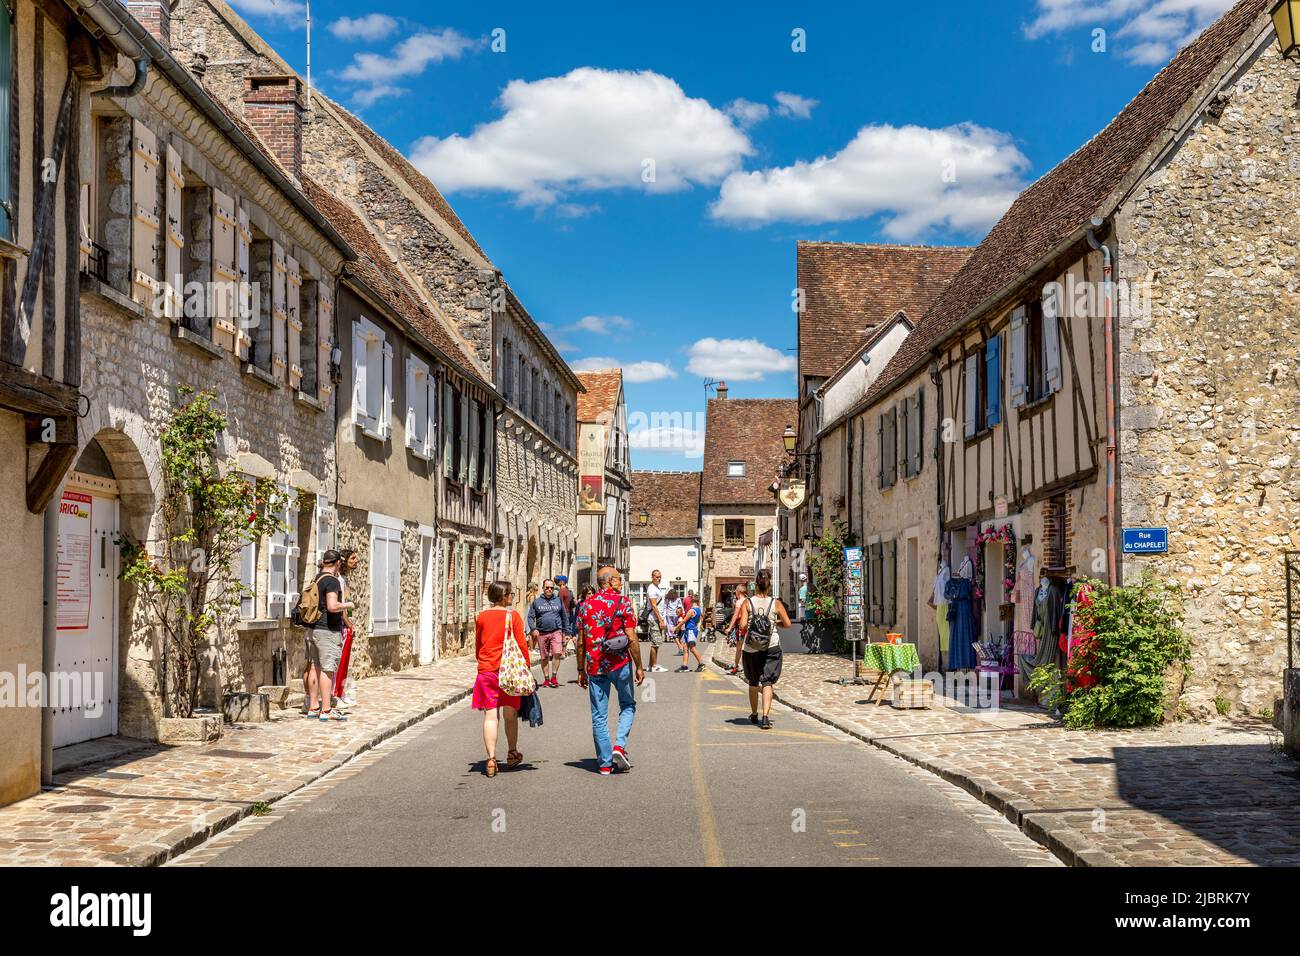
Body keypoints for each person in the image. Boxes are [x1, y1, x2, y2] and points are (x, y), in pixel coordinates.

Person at [578, 566, 643, 776]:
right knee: (628, 705)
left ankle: (605, 763)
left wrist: (580, 669)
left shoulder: (585, 605)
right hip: (620, 663)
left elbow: (580, 642)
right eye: (619, 579)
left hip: (595, 666)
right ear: (610, 581)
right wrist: (640, 665)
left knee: (599, 715)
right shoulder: (623, 602)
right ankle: (619, 746)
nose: (621, 582)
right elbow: (631, 637)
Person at [474, 580, 530, 777]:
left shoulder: (481, 617)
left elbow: (478, 644)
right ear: (504, 596)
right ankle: (512, 752)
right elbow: (522, 646)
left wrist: (482, 661)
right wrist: (527, 669)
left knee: (490, 715)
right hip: (509, 671)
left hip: (487, 669)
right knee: (510, 714)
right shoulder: (512, 616)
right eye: (511, 594)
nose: (512, 598)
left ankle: (490, 759)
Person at [736, 569, 791, 730]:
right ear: (768, 585)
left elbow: (743, 625)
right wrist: (775, 623)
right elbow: (788, 624)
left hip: (751, 647)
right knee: (767, 682)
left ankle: (754, 714)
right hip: (771, 645)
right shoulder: (776, 603)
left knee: (753, 682)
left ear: (755, 585)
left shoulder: (747, 602)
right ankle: (766, 717)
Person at [304, 550, 353, 722]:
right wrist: (348, 604)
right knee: (327, 668)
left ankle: (313, 707)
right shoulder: (332, 581)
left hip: (313, 628)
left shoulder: (317, 578)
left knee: (314, 667)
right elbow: (332, 606)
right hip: (327, 629)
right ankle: (326, 709)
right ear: (338, 563)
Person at [527, 578, 570, 689]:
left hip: (556, 630)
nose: (549, 589)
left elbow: (564, 616)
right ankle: (546, 679)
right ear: (543, 588)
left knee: (557, 652)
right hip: (541, 632)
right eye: (547, 587)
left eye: (551, 587)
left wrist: (566, 632)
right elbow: (530, 617)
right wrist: (533, 629)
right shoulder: (537, 602)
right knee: (544, 656)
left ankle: (554, 677)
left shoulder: (558, 600)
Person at [332, 549, 359, 708]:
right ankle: (336, 694)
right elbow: (341, 605)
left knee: (345, 661)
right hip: (342, 624)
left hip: (347, 623)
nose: (356, 561)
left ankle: (341, 692)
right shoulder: (340, 580)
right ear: (344, 561)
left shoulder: (345, 579)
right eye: (353, 558)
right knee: (340, 661)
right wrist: (348, 623)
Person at [643, 569, 668, 673]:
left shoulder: (656, 588)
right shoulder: (652, 589)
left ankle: (650, 665)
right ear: (652, 577)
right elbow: (653, 605)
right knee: (655, 643)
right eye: (657, 577)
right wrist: (660, 620)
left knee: (656, 642)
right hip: (654, 619)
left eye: (660, 577)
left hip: (656, 618)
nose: (659, 578)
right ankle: (653, 666)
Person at [675, 595, 705, 673]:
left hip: (690, 630)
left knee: (692, 648)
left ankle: (701, 664)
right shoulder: (698, 609)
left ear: (691, 602)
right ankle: (684, 666)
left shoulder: (691, 611)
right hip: (692, 629)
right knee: (685, 647)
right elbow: (698, 620)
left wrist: (676, 627)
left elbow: (684, 620)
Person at [725, 583, 748, 676]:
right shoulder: (748, 600)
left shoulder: (739, 602)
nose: (735, 593)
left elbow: (736, 615)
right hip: (748, 625)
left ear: (738, 592)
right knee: (746, 646)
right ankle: (739, 665)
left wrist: (729, 627)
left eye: (735, 591)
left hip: (740, 626)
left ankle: (736, 666)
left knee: (739, 647)